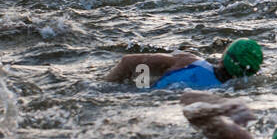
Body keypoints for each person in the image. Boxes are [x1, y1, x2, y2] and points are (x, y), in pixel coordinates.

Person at [105, 39, 264, 90]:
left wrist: (139, 87)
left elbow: (129, 62)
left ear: (223, 57)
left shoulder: (189, 61)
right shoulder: (237, 92)